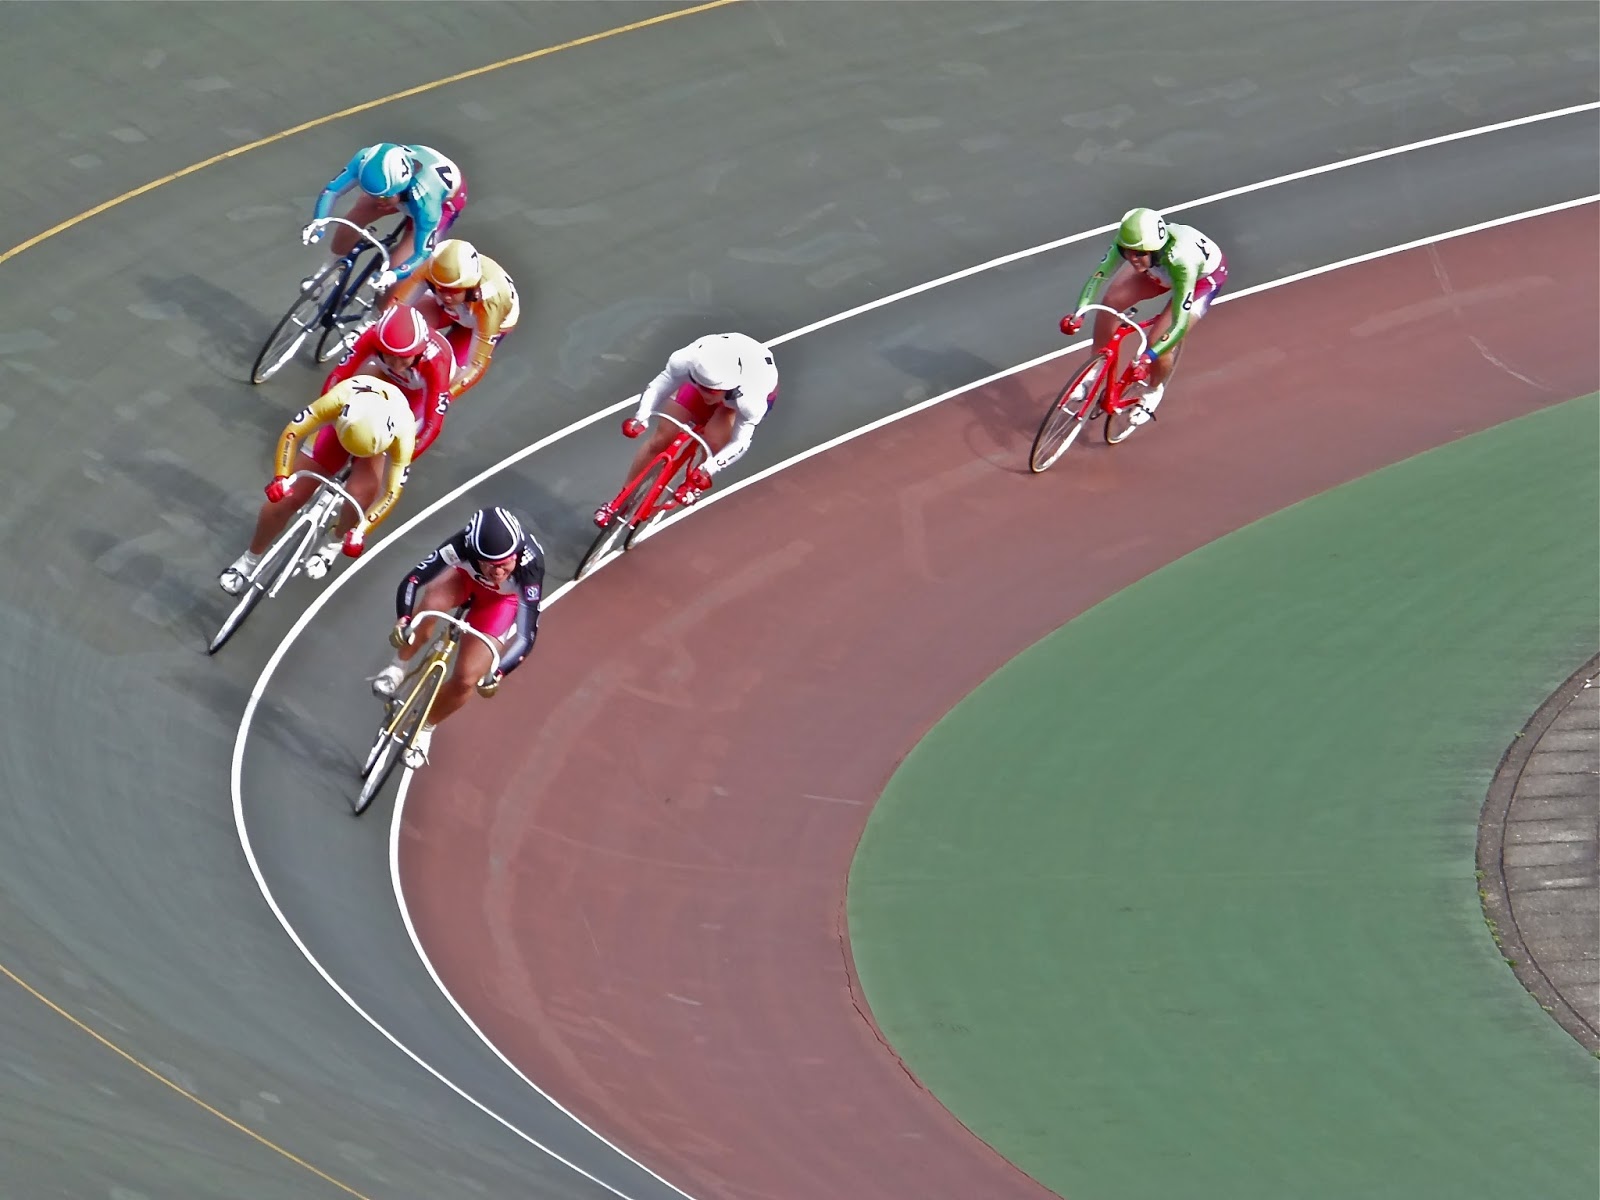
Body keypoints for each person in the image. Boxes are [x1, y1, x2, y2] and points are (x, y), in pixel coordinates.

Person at [371, 506, 545, 767]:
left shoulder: (531, 565)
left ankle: (426, 728)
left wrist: (499, 673)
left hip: (499, 604)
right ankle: (397, 667)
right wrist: (404, 618)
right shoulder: (462, 544)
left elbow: (526, 635)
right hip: (464, 581)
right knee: (429, 608)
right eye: (491, 565)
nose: (498, 572)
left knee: (467, 679)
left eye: (505, 563)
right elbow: (414, 579)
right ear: (476, 555)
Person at [219, 375, 417, 595]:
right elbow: (292, 433)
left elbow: (391, 492)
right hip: (337, 431)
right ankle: (249, 560)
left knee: (358, 497)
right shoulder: (342, 396)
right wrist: (281, 477)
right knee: (283, 501)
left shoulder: (404, 430)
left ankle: (335, 540)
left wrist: (360, 531)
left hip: (374, 447)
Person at [1060, 207, 1228, 433]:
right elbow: (1098, 277)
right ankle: (1095, 370)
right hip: (1159, 268)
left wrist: (1148, 359)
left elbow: (1178, 325)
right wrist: (1079, 312)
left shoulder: (1182, 262)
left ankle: (1153, 390)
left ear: (1154, 249)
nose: (1132, 259)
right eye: (1127, 252)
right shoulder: (1132, 245)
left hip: (1199, 280)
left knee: (1159, 341)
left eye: (1138, 254)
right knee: (1111, 302)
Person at [595, 332, 779, 526]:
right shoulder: (685, 361)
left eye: (712, 391)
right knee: (661, 438)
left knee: (715, 439)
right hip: (717, 380)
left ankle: (695, 483)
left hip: (737, 400)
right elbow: (658, 387)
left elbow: (740, 442)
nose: (705, 394)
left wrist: (709, 469)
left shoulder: (750, 400)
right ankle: (622, 499)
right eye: (700, 385)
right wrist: (641, 417)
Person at [304, 142, 468, 289]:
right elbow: (332, 190)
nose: (376, 199)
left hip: (442, 202)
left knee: (398, 262)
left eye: (382, 196)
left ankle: (374, 317)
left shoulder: (427, 205)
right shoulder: (365, 159)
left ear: (399, 190)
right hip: (406, 184)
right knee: (357, 213)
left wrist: (394, 275)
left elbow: (422, 253)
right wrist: (318, 222)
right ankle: (329, 271)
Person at [387, 239, 520, 403]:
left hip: (483, 318)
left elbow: (475, 366)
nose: (447, 296)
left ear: (470, 286)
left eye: (454, 290)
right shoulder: (431, 269)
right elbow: (396, 309)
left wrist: (445, 397)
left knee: (442, 376)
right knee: (402, 332)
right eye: (441, 288)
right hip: (454, 308)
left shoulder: (491, 303)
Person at [323, 303, 455, 457]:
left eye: (404, 357)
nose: (397, 365)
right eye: (389, 355)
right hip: (383, 375)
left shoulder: (436, 364)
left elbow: (431, 426)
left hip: (417, 394)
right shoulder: (371, 336)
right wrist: (329, 413)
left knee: (383, 455)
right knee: (339, 419)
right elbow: (337, 377)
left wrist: (402, 458)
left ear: (418, 353)